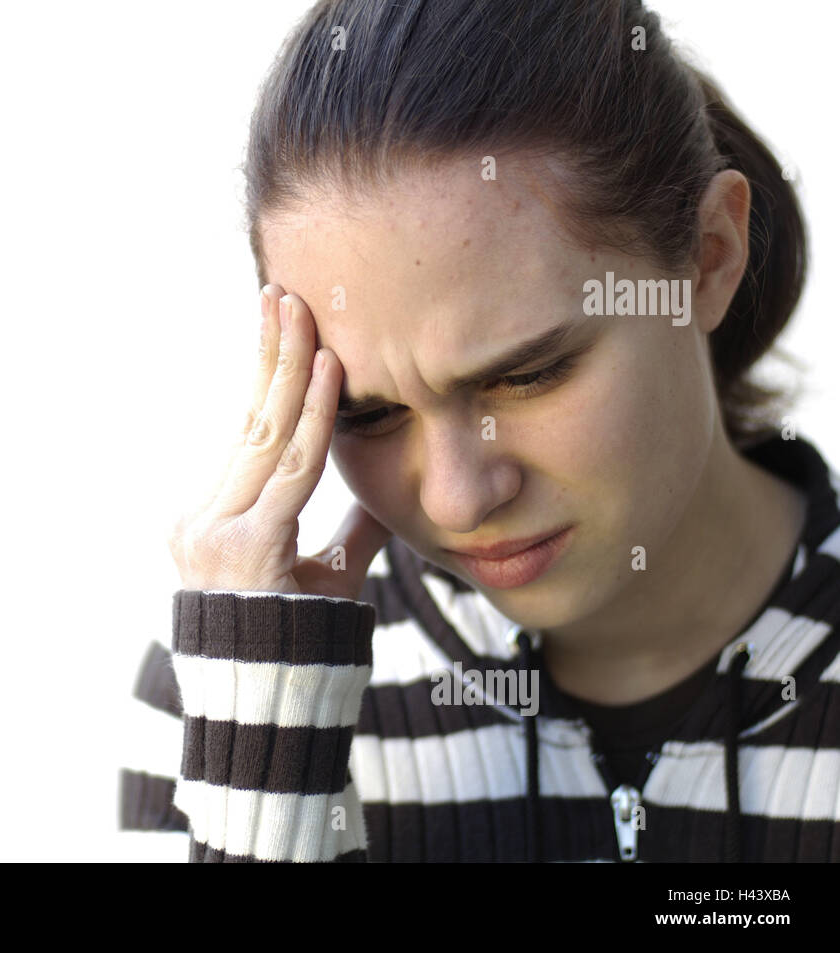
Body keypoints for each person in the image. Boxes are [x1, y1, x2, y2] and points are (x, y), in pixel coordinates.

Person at [119, 0, 840, 861]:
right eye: (370, 413)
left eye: (529, 373)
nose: (459, 500)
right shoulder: (232, 690)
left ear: (712, 254)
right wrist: (267, 755)